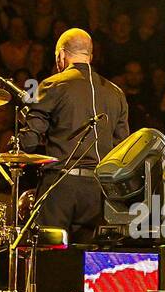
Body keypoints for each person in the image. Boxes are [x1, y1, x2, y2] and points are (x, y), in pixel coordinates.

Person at [16, 27, 129, 244]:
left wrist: (24, 127)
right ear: (91, 56)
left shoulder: (52, 84)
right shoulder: (116, 93)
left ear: (60, 55)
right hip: (99, 193)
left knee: (50, 258)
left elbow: (28, 143)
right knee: (88, 262)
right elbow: (122, 149)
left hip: (61, 187)